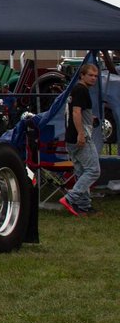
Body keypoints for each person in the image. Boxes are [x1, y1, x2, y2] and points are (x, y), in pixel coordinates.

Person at [61, 62, 102, 216]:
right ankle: (71, 198)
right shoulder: (81, 90)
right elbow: (76, 113)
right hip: (80, 137)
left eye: (96, 76)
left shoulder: (76, 90)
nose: (93, 78)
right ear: (82, 75)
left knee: (81, 171)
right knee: (93, 171)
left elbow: (78, 112)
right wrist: (81, 133)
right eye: (90, 75)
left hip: (70, 137)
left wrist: (90, 118)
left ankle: (84, 206)